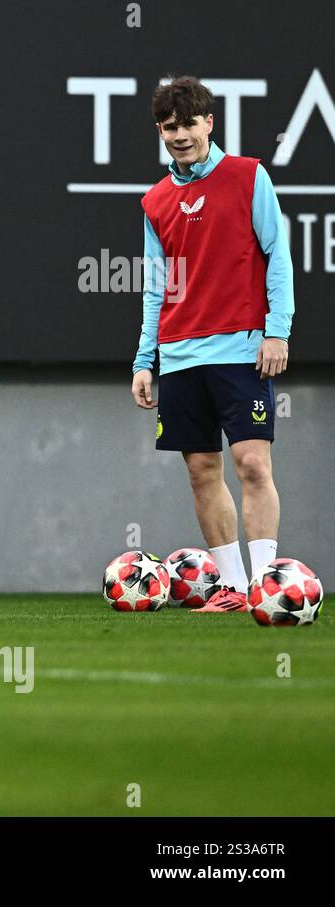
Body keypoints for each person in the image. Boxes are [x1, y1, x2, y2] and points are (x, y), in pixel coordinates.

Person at [130, 76, 293, 611]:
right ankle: (233, 587)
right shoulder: (155, 201)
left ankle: (265, 586)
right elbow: (157, 287)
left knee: (252, 463)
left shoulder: (248, 176)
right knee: (201, 470)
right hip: (179, 355)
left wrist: (277, 329)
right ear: (161, 132)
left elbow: (278, 254)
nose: (180, 135)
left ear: (209, 123)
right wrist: (145, 360)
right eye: (169, 127)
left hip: (241, 351)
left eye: (188, 124)